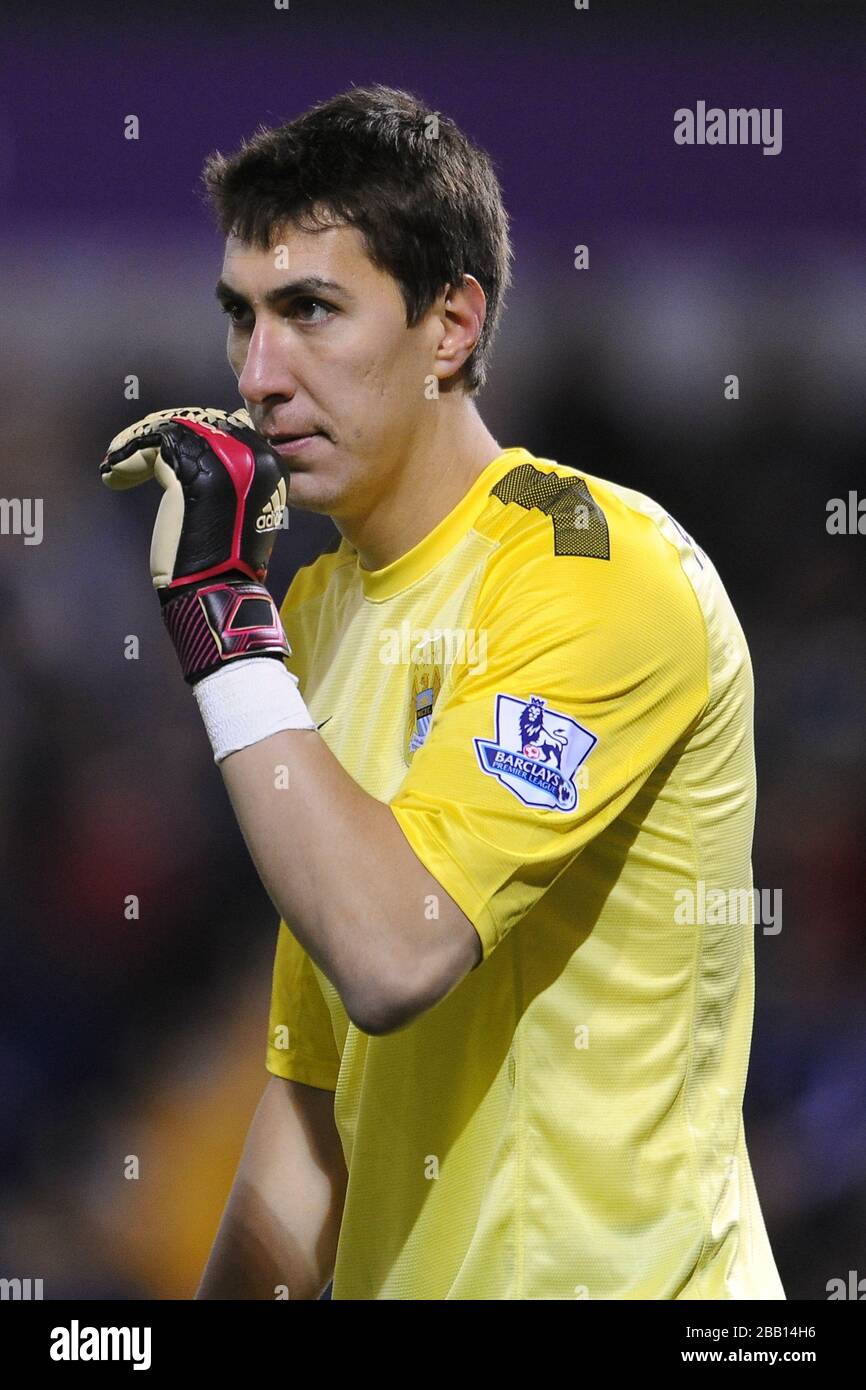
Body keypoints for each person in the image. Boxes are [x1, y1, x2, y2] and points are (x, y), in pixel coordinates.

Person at [101, 83, 785, 1300]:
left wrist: (218, 617)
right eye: (241, 317)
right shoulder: (314, 613)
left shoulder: (596, 571)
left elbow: (392, 952)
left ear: (452, 325)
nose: (258, 373)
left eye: (310, 310)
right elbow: (316, 1093)